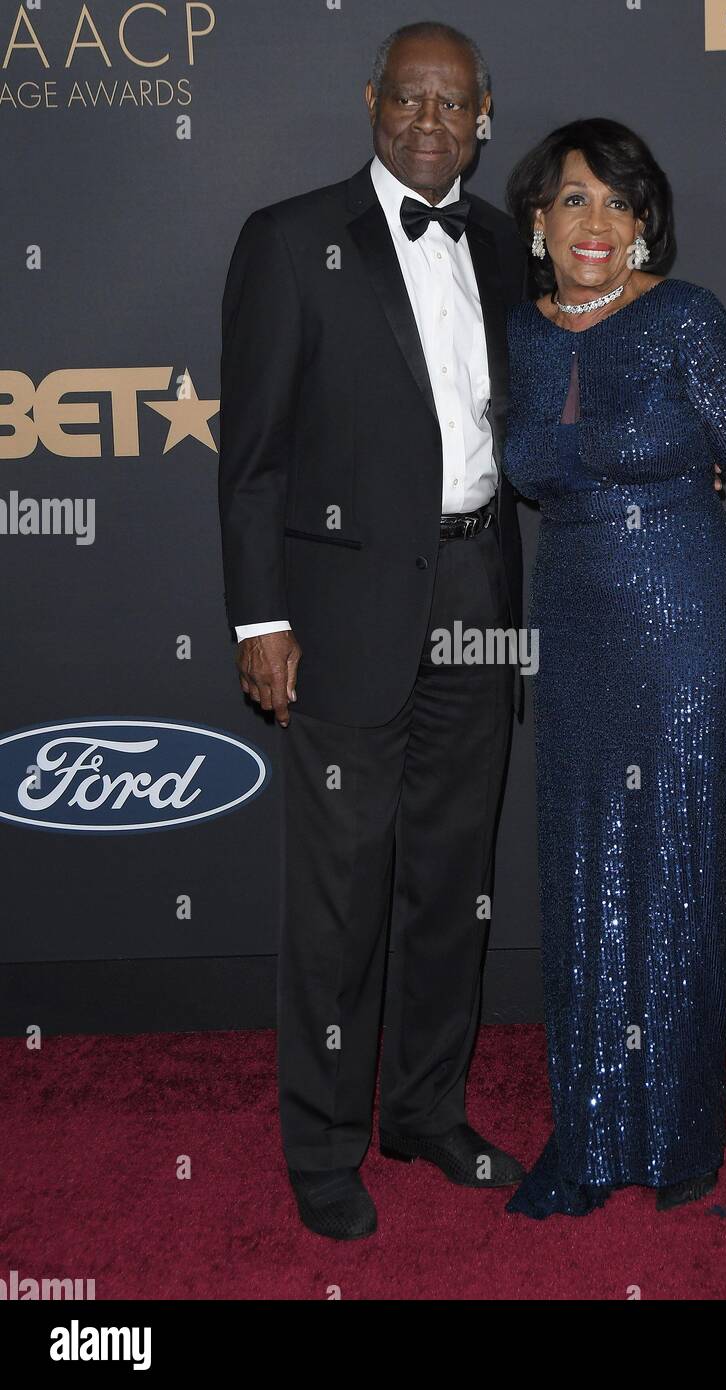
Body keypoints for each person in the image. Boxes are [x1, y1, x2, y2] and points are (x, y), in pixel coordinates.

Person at [217, 22, 528, 1241]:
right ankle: (324, 1146)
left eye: (453, 106)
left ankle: (425, 1109)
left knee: (453, 884)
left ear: (484, 117)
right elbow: (252, 461)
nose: (429, 123)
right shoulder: (291, 241)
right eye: (410, 100)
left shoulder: (502, 242)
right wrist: (260, 616)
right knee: (342, 898)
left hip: (478, 599)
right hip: (339, 616)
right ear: (371, 102)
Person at [501, 118, 726, 1218]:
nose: (597, 222)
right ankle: (587, 1135)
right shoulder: (522, 338)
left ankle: (678, 1137)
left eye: (619, 203)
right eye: (574, 199)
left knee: (674, 863)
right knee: (583, 875)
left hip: (685, 610)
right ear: (537, 221)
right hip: (574, 616)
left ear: (643, 225)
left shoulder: (685, 316)